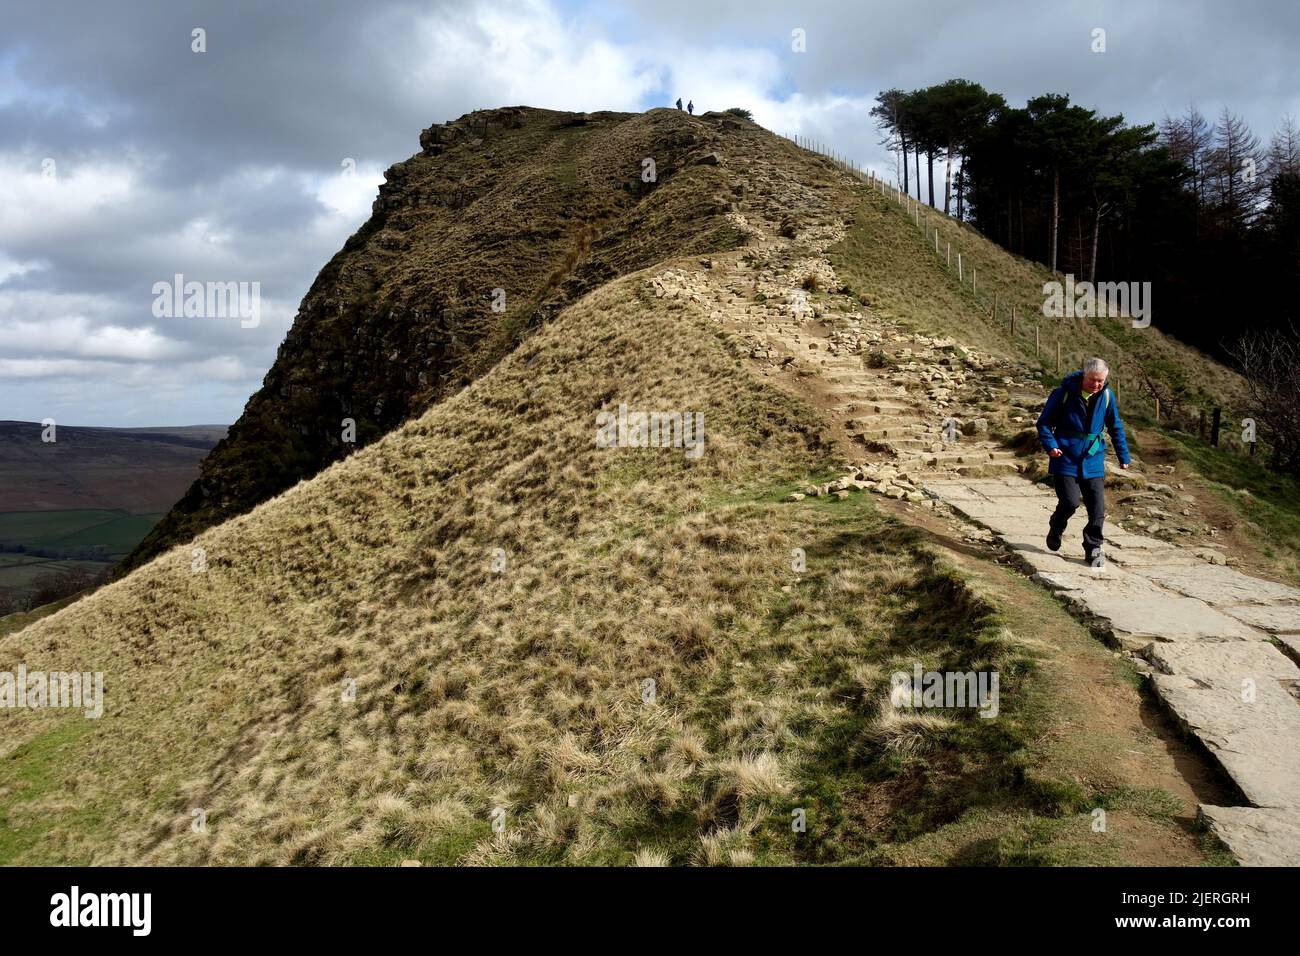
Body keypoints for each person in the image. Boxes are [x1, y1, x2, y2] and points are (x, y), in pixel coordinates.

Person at [1035, 357, 1131, 567]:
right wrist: (1051, 446)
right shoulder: (1063, 393)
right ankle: (1057, 525)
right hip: (1065, 456)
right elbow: (1044, 423)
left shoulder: (1106, 395)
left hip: (1093, 458)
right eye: (1092, 380)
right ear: (1083, 375)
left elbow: (1115, 427)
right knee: (1070, 502)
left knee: (1097, 508)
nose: (1096, 385)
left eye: (1101, 381)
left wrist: (1124, 455)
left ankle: (1093, 547)